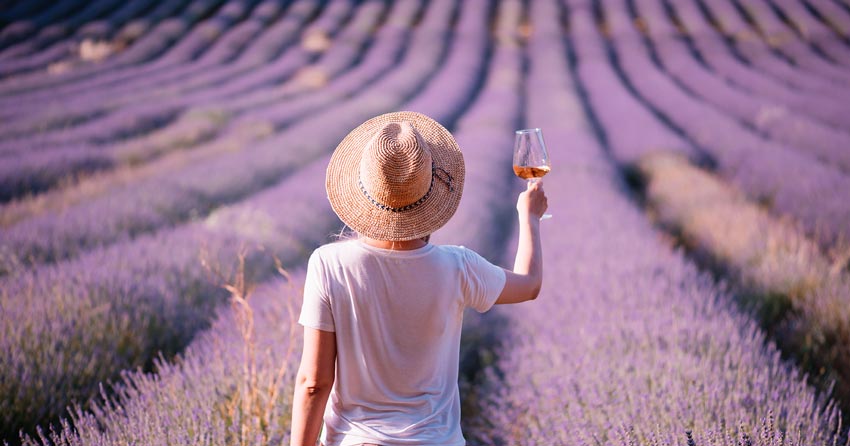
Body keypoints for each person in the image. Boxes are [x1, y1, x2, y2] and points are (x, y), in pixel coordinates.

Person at [290, 111, 547, 446]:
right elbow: (529, 284)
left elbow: (314, 383)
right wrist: (529, 217)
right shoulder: (458, 266)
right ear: (430, 190)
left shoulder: (328, 264)